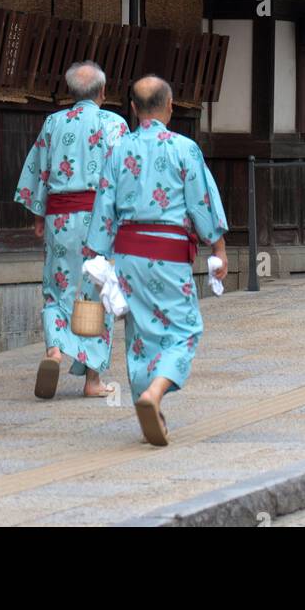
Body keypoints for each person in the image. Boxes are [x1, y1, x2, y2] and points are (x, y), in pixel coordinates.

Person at [86, 73, 228, 447]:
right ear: (170, 107)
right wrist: (218, 248)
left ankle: (149, 403)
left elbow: (105, 205)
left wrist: (96, 255)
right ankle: (156, 392)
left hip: (128, 253)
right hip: (168, 252)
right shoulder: (184, 149)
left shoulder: (119, 149)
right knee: (183, 329)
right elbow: (202, 202)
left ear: (132, 110)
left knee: (139, 334)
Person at [15, 60, 128, 400]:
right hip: (100, 221)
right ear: (103, 92)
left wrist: (40, 214)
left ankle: (54, 350)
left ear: (70, 92)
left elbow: (39, 173)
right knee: (96, 293)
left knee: (57, 288)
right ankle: (92, 380)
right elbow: (124, 177)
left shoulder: (54, 123)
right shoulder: (115, 124)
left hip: (60, 219)